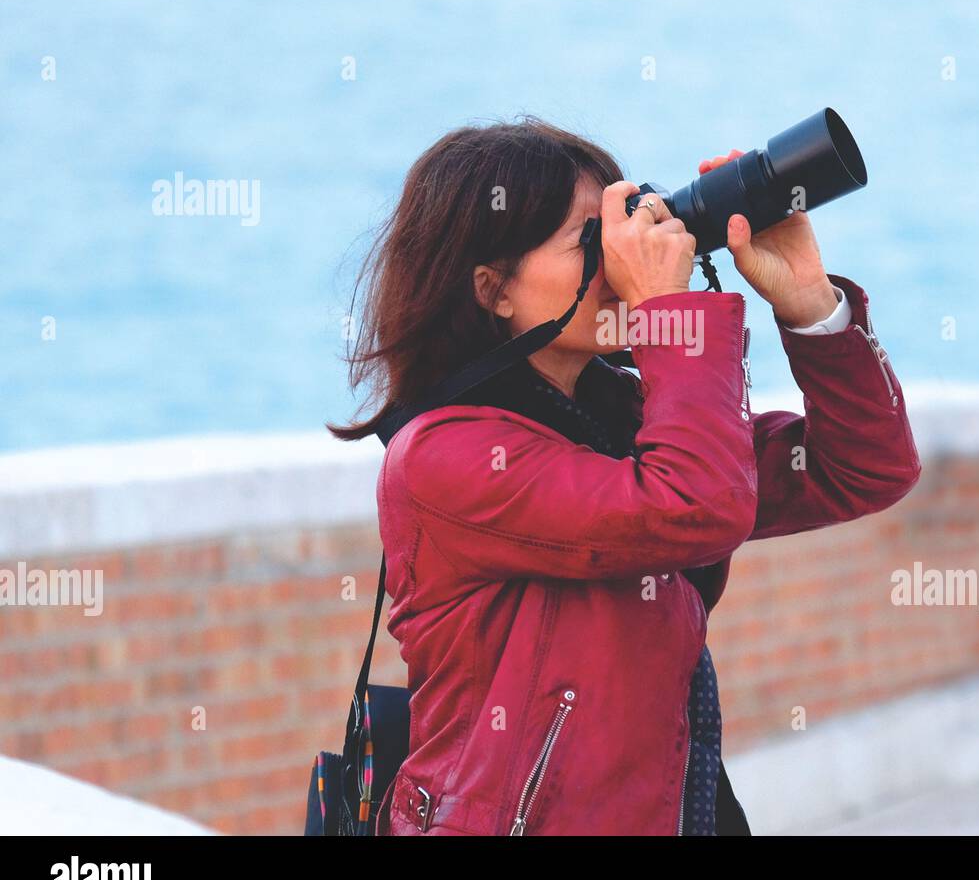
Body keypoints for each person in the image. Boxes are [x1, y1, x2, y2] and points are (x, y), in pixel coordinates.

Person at [330, 116, 921, 835]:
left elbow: (863, 467)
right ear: (494, 290)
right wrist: (668, 316)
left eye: (627, 225)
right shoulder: (445, 457)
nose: (622, 257)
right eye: (592, 241)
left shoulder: (633, 422)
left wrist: (809, 304)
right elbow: (693, 506)